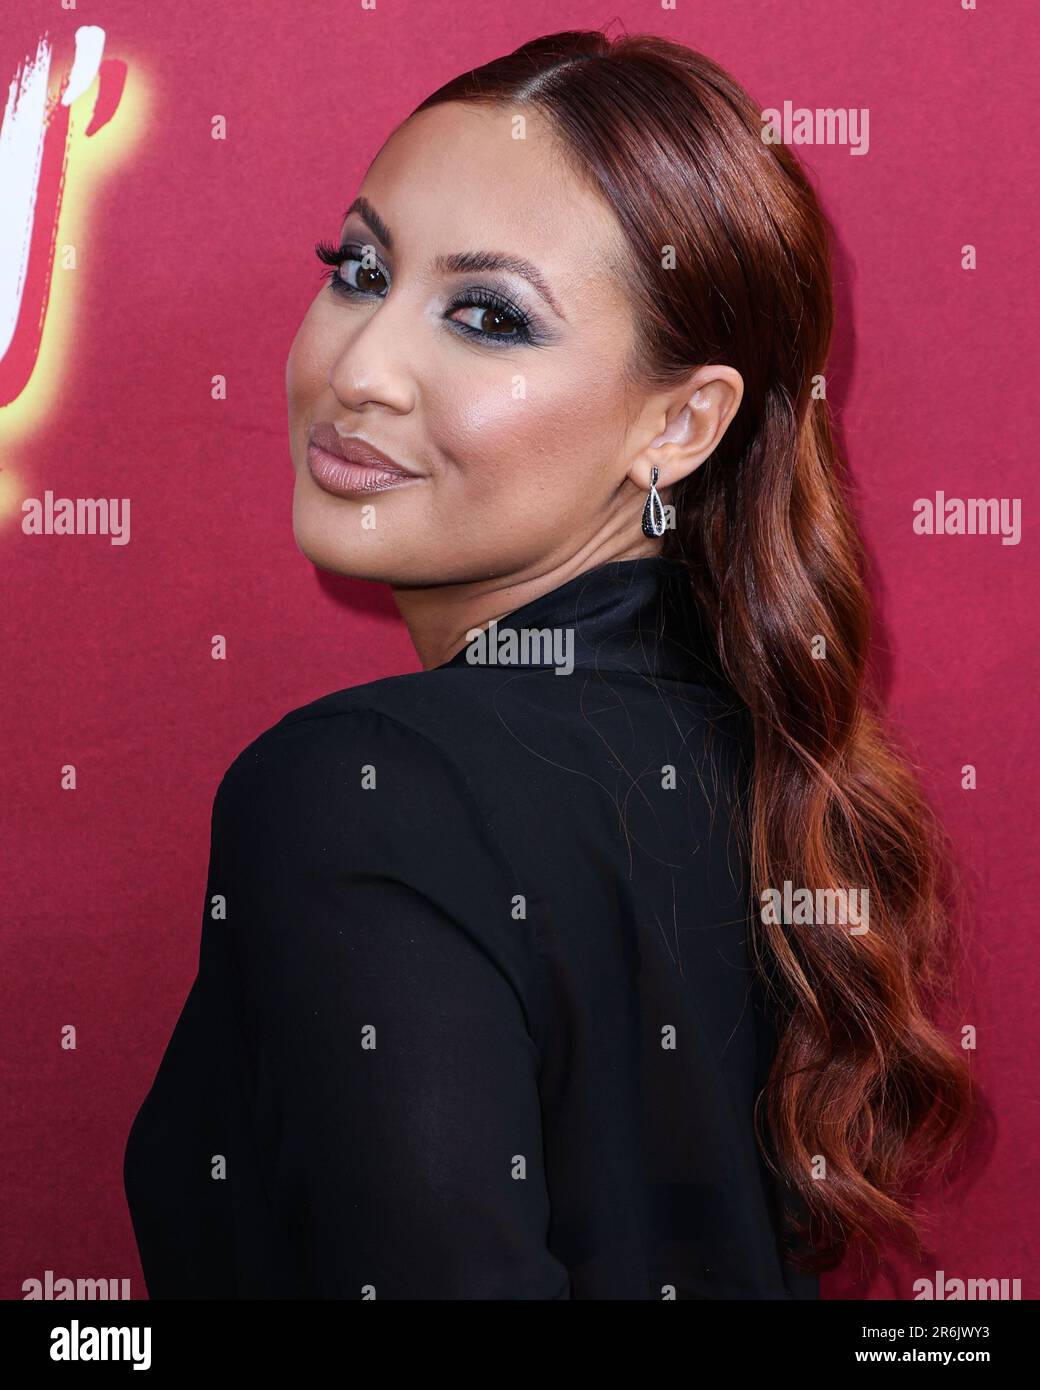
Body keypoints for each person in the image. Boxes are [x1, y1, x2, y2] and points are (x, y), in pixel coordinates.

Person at [123, 28, 972, 1299]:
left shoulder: (360, 789)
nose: (357, 372)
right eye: (359, 269)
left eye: (486, 316)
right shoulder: (760, 759)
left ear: (679, 424)